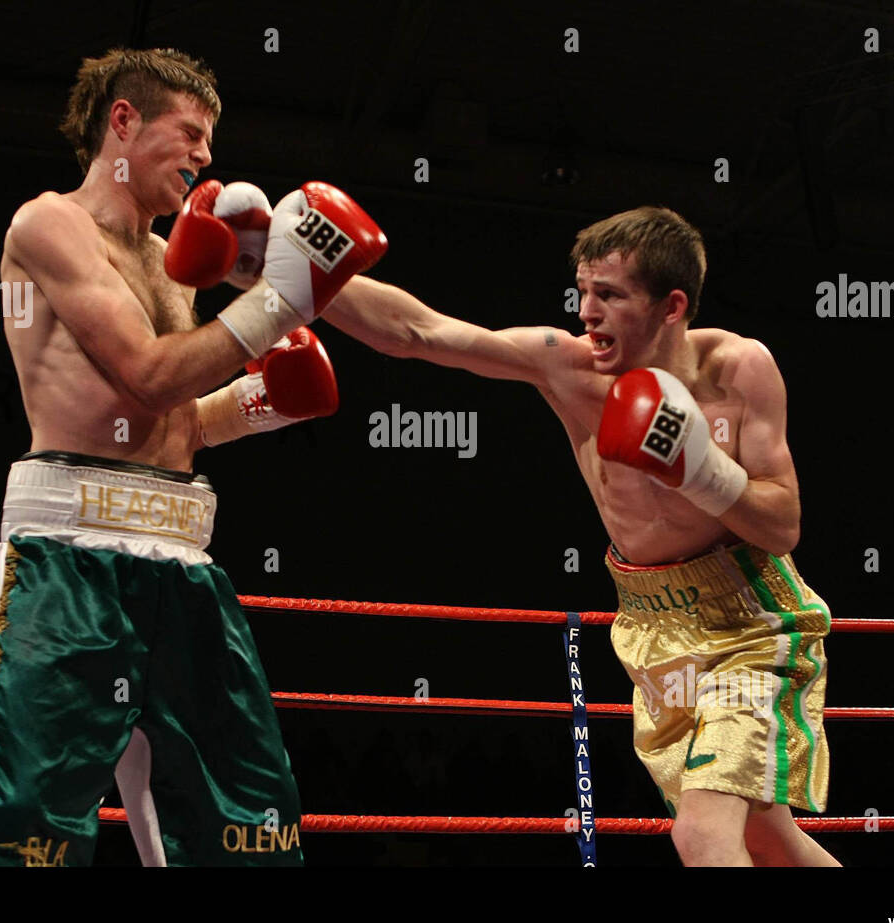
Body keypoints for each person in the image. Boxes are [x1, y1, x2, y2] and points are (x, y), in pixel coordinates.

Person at [0, 47, 385, 866]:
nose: (207, 156)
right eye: (191, 132)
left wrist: (263, 402)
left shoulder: (173, 261)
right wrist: (280, 297)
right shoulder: (50, 225)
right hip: (70, 553)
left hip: (180, 551)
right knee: (28, 820)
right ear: (123, 122)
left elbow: (179, 422)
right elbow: (143, 379)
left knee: (242, 816)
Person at [321, 207, 839, 866]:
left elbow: (783, 523)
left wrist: (701, 470)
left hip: (751, 623)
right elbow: (420, 331)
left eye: (611, 296)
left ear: (672, 305)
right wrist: (299, 281)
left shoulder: (735, 370)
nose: (587, 311)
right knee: (768, 837)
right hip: (651, 627)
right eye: (584, 291)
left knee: (702, 834)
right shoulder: (567, 367)